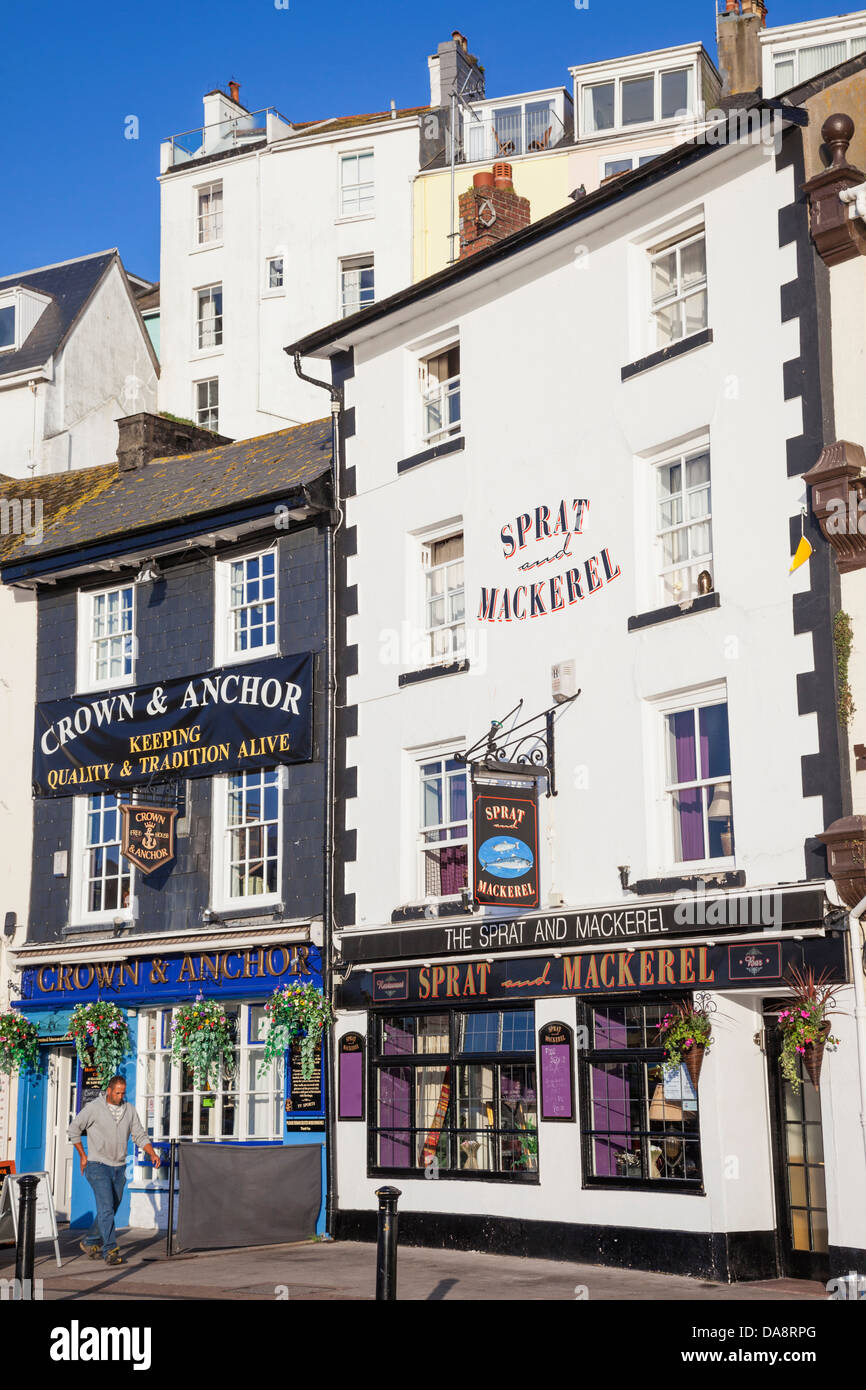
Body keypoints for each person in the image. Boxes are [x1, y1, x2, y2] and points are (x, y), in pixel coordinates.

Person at [68, 1074, 161, 1266]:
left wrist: (152, 1153)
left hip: (119, 1167)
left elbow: (139, 1135)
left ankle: (90, 1241)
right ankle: (109, 1249)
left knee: (110, 1208)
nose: (120, 1096)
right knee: (106, 1208)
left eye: (123, 1093)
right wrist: (83, 1155)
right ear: (109, 1091)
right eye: (117, 1093)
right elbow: (73, 1129)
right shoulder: (93, 1108)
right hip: (97, 1165)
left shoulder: (129, 1110)